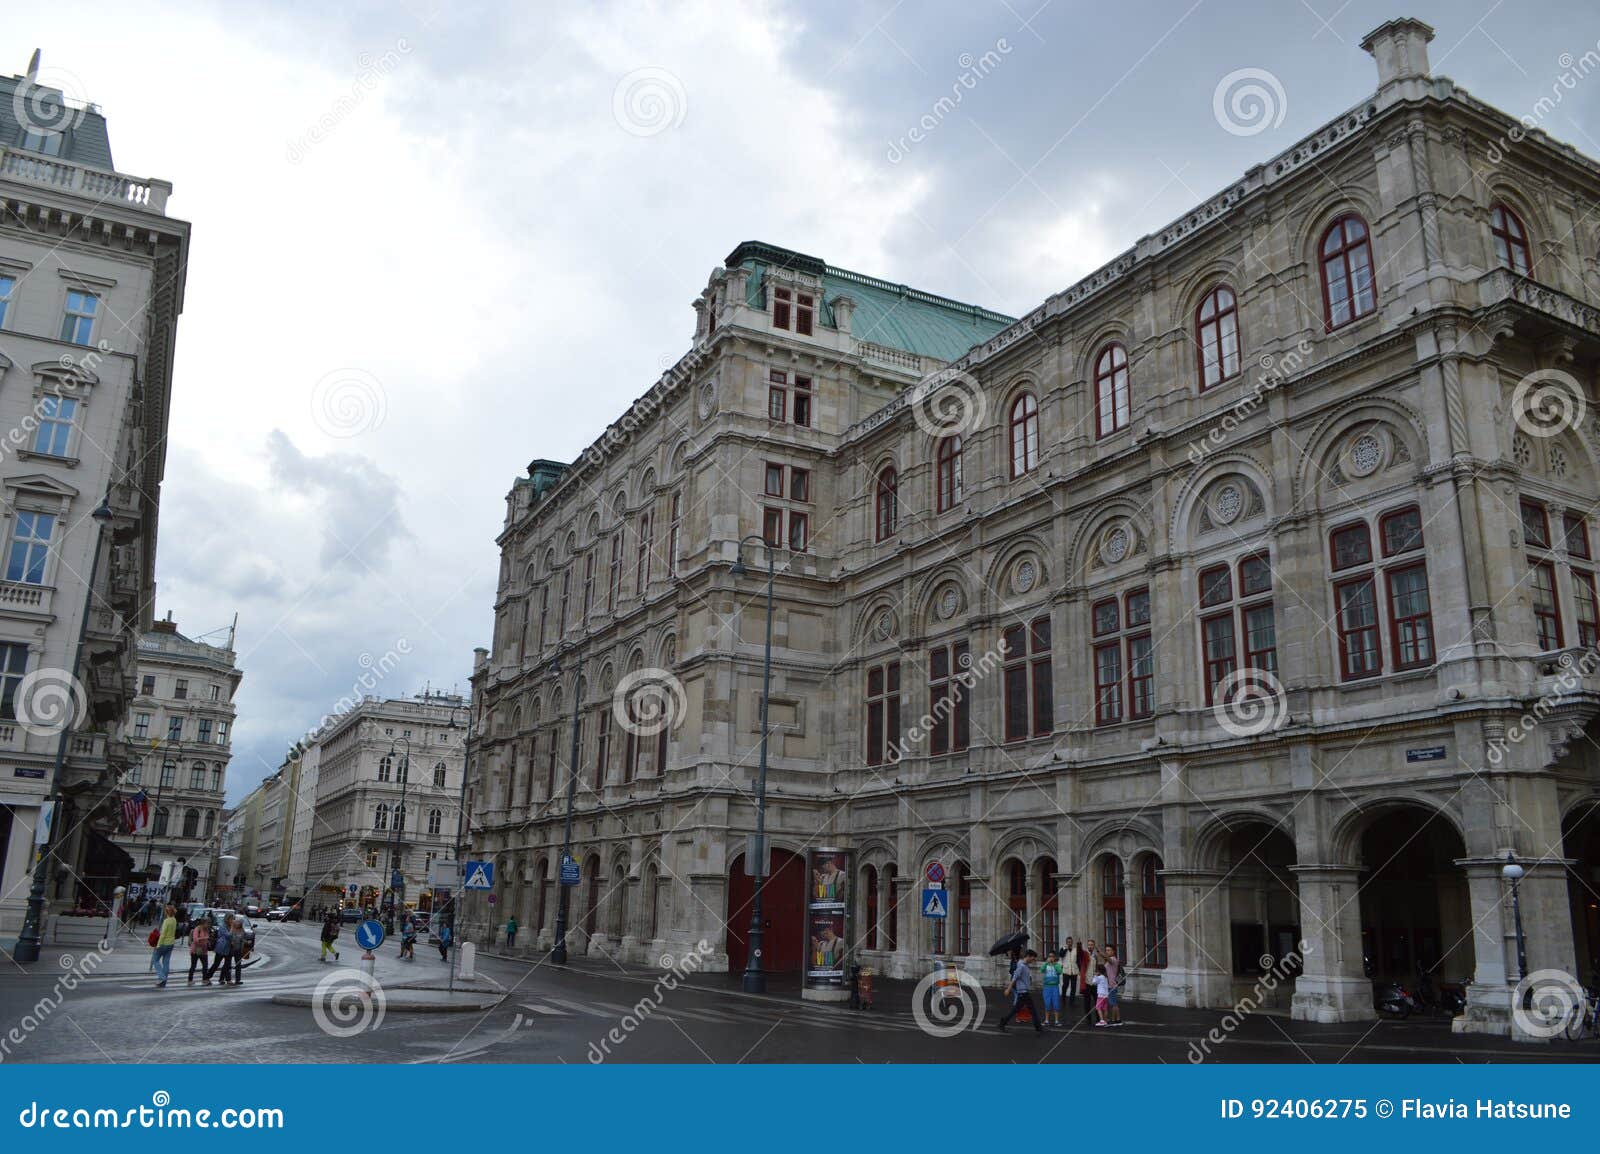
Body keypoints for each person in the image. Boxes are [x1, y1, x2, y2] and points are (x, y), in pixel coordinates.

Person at [997, 948, 1043, 1034]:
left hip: (1023, 992)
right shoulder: (1021, 966)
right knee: (1032, 1010)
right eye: (1032, 958)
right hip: (1023, 992)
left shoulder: (1024, 965)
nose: (1033, 961)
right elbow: (1014, 977)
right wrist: (1008, 989)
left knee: (1016, 1010)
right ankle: (1038, 1027)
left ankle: (1003, 1022)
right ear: (1028, 956)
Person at [152, 904, 178, 988]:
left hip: (163, 943)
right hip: (171, 943)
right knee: (166, 962)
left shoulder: (166, 921)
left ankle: (162, 977)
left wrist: (158, 945)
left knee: (155, 960)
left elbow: (163, 934)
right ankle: (164, 982)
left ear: (166, 912)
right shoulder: (174, 920)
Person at [207, 917, 233, 985]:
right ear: (227, 919)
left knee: (227, 964)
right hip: (221, 947)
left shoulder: (232, 927)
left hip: (229, 948)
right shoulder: (223, 927)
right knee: (216, 964)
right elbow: (228, 935)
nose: (232, 920)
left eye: (233, 919)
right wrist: (232, 929)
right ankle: (207, 977)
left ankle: (226, 979)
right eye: (231, 919)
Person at [187, 915, 212, 985]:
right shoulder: (197, 929)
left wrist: (208, 942)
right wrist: (205, 938)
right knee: (193, 966)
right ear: (203, 923)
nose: (208, 925)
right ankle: (190, 980)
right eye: (207, 923)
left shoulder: (207, 930)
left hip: (204, 950)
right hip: (195, 950)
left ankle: (204, 980)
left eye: (209, 923)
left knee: (205, 965)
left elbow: (207, 938)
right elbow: (195, 940)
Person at [1078, 938, 1100, 1019]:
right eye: (1089, 945)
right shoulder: (1085, 953)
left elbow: (1096, 967)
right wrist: (1079, 945)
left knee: (1097, 1000)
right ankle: (1088, 1019)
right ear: (1087, 946)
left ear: (1094, 946)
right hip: (1086, 981)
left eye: (1092, 945)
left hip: (1094, 981)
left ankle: (1098, 1018)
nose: (1090, 946)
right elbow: (1080, 953)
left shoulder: (1095, 956)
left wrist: (1097, 973)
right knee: (1087, 1001)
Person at [1041, 951, 1063, 1026]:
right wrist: (1046, 963)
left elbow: (1060, 971)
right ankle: (1046, 1020)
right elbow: (1042, 970)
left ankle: (1056, 1021)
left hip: (1055, 987)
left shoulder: (1057, 965)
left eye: (1052, 956)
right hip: (1047, 987)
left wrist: (1054, 964)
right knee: (1047, 1003)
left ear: (1055, 957)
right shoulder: (1045, 965)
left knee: (1056, 1003)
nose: (1051, 958)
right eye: (1049, 956)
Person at [1103, 945, 1123, 1026]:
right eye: (1106, 950)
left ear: (1113, 951)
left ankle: (1114, 1020)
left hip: (1112, 985)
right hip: (1110, 984)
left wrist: (1099, 951)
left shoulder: (1113, 960)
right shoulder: (1110, 960)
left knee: (1113, 1003)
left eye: (1109, 950)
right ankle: (1117, 1019)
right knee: (1114, 1003)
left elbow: (1107, 958)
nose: (1107, 952)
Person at [1061, 935, 1080, 1005]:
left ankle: (1072, 1002)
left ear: (1072, 942)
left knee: (1073, 987)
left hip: (1074, 971)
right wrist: (1066, 949)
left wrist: (1079, 969)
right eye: (1068, 942)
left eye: (1071, 942)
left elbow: (1078, 960)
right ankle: (1063, 999)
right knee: (1065, 985)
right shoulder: (1063, 948)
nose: (1069, 943)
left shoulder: (1075, 950)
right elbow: (1061, 955)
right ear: (1066, 942)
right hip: (1066, 971)